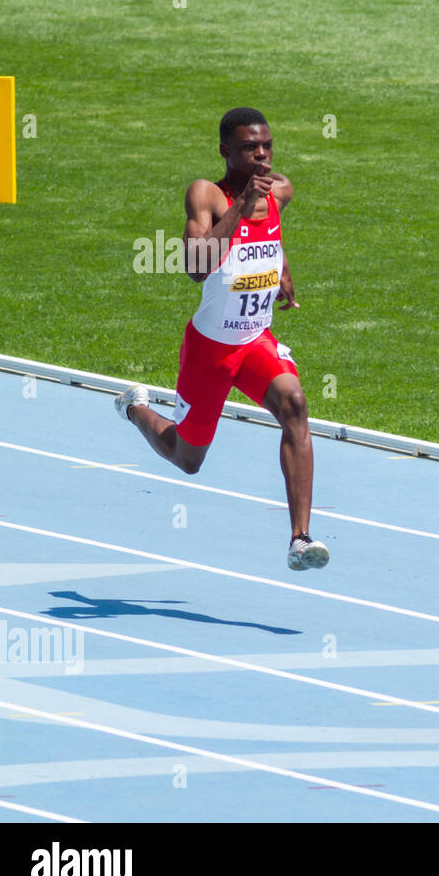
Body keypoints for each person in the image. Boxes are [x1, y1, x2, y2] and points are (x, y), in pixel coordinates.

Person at [113, 107, 328, 571]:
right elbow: (196, 267)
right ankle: (135, 409)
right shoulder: (206, 196)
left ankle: (300, 539)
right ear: (225, 151)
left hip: (254, 341)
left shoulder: (281, 191)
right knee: (187, 458)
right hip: (209, 350)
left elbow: (270, 236)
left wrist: (281, 270)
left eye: (267, 146)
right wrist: (239, 205)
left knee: (294, 403)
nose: (263, 156)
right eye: (251, 148)